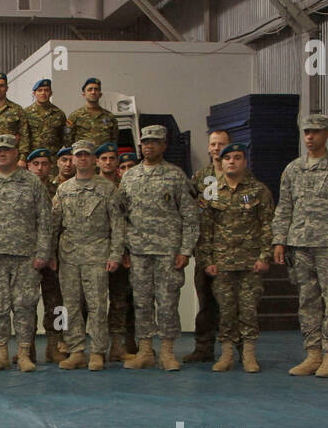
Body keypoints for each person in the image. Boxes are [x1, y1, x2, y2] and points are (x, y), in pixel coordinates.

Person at [271, 114, 328, 379]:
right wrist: (279, 240)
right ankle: (313, 354)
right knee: (307, 301)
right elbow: (284, 207)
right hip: (300, 245)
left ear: (327, 134)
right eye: (307, 132)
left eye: (316, 132)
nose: (310, 137)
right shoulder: (293, 169)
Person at [0, 134, 52, 372]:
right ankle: (1, 353)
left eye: (7, 150)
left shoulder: (32, 183)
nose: (2, 154)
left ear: (16, 153)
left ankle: (24, 354)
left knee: (25, 305)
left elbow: (45, 220)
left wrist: (44, 253)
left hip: (26, 256)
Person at [118, 125, 199, 371]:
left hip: (168, 252)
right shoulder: (130, 177)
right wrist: (124, 250)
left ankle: (167, 352)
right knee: (142, 302)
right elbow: (121, 217)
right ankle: (144, 351)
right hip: (139, 252)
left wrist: (185, 250)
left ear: (164, 146)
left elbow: (191, 216)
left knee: (167, 302)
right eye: (145, 142)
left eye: (154, 142)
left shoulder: (176, 176)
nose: (148, 146)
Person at [196, 143, 274, 372]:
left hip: (251, 263)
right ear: (221, 162)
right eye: (227, 158)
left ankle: (249, 354)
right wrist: (207, 261)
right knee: (226, 310)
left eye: (237, 157)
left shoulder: (259, 191)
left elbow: (268, 226)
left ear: (244, 162)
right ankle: (227, 354)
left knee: (249, 310)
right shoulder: (212, 194)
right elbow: (205, 230)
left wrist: (265, 256)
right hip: (222, 263)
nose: (231, 161)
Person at [50, 140, 124, 370]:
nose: (82, 159)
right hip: (69, 255)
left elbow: (118, 226)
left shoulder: (108, 189)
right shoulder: (63, 189)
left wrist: (115, 254)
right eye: (78, 155)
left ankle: (98, 352)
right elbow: (54, 225)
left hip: (97, 254)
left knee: (97, 305)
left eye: (87, 155)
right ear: (72, 159)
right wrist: (51, 253)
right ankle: (77, 350)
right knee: (70, 305)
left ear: (94, 160)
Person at [185, 129, 230, 364]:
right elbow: (191, 210)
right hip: (205, 249)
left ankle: (232, 350)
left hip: (233, 251)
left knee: (232, 304)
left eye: (221, 144)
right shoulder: (200, 177)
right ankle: (203, 348)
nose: (216, 148)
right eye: (213, 144)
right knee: (205, 303)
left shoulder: (241, 176)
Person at [27, 148, 66, 363]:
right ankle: (28, 346)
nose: (40, 168)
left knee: (58, 303)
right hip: (29, 256)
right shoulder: (22, 188)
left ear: (50, 166)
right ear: (29, 166)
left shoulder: (60, 189)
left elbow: (60, 224)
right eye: (36, 164)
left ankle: (56, 344)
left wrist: (53, 253)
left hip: (54, 257)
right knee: (26, 303)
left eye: (44, 163)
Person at [97, 141, 131, 360]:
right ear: (97, 161)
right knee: (94, 302)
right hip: (95, 252)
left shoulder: (126, 187)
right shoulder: (90, 185)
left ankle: (118, 345)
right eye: (104, 158)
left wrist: (124, 251)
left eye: (112, 158)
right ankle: (94, 347)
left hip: (121, 252)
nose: (108, 162)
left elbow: (130, 221)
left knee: (120, 300)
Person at [65, 77, 117, 149]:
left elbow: (114, 139)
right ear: (84, 94)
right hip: (83, 156)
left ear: (100, 94)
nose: (93, 92)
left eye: (96, 89)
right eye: (89, 90)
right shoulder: (75, 116)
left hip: (103, 157)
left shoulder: (110, 117)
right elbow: (67, 139)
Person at [26, 79, 66, 159]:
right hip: (32, 158)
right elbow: (23, 137)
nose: (43, 93)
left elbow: (64, 138)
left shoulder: (59, 114)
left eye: (46, 90)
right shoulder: (26, 113)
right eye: (40, 90)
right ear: (34, 93)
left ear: (51, 93)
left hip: (52, 158)